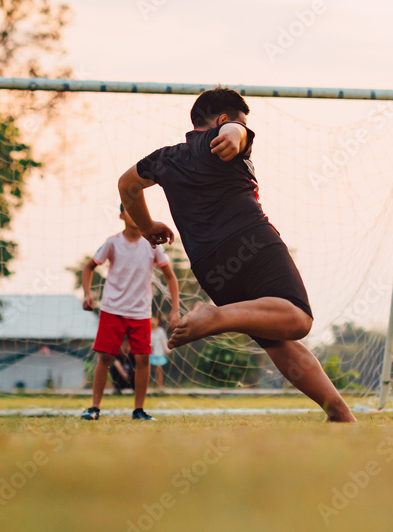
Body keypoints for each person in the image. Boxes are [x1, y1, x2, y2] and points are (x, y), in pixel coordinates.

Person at [116, 87, 355, 422]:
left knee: (276, 341)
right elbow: (236, 131)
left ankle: (339, 414)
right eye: (237, 122)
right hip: (251, 241)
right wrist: (233, 132)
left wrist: (147, 226)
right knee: (298, 319)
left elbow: (126, 185)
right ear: (222, 119)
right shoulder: (224, 136)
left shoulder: (165, 158)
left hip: (208, 264)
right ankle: (217, 318)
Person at [80, 204, 180, 421]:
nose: (134, 214)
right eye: (129, 210)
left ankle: (138, 410)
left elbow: (170, 277)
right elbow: (88, 267)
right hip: (112, 309)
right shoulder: (113, 242)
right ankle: (94, 408)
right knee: (105, 357)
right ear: (121, 215)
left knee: (143, 359)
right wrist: (87, 294)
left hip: (141, 312)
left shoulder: (153, 245)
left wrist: (175, 309)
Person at [149, 315, 169, 388]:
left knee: (159, 370)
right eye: (151, 319)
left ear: (157, 321)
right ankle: (146, 386)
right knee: (148, 370)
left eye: (155, 319)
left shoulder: (160, 331)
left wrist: (167, 350)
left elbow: (164, 341)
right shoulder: (148, 331)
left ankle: (159, 386)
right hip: (150, 354)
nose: (153, 321)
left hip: (159, 353)